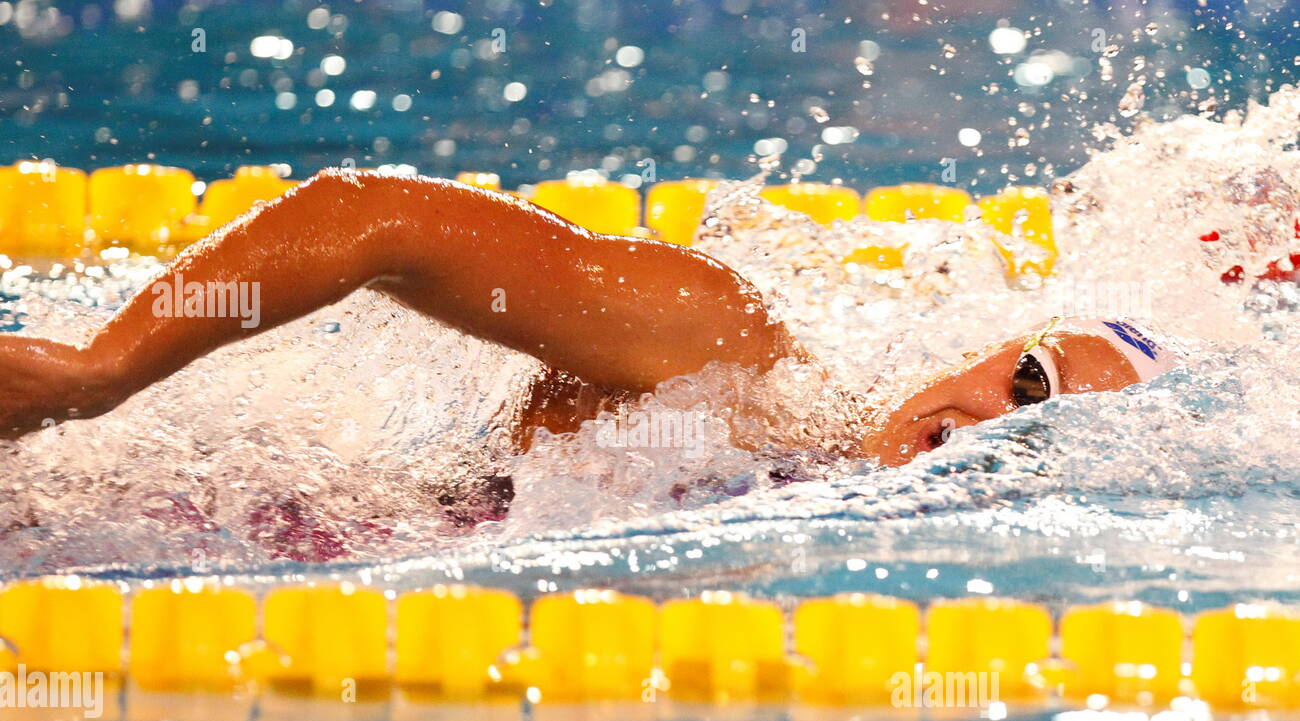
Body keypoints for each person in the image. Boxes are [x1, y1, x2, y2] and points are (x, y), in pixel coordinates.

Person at [0, 169, 1174, 467]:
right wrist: (89, 372)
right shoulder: (730, 348)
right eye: (1025, 379)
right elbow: (374, 220)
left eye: (1039, 438)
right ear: (980, 339)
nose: (988, 428)